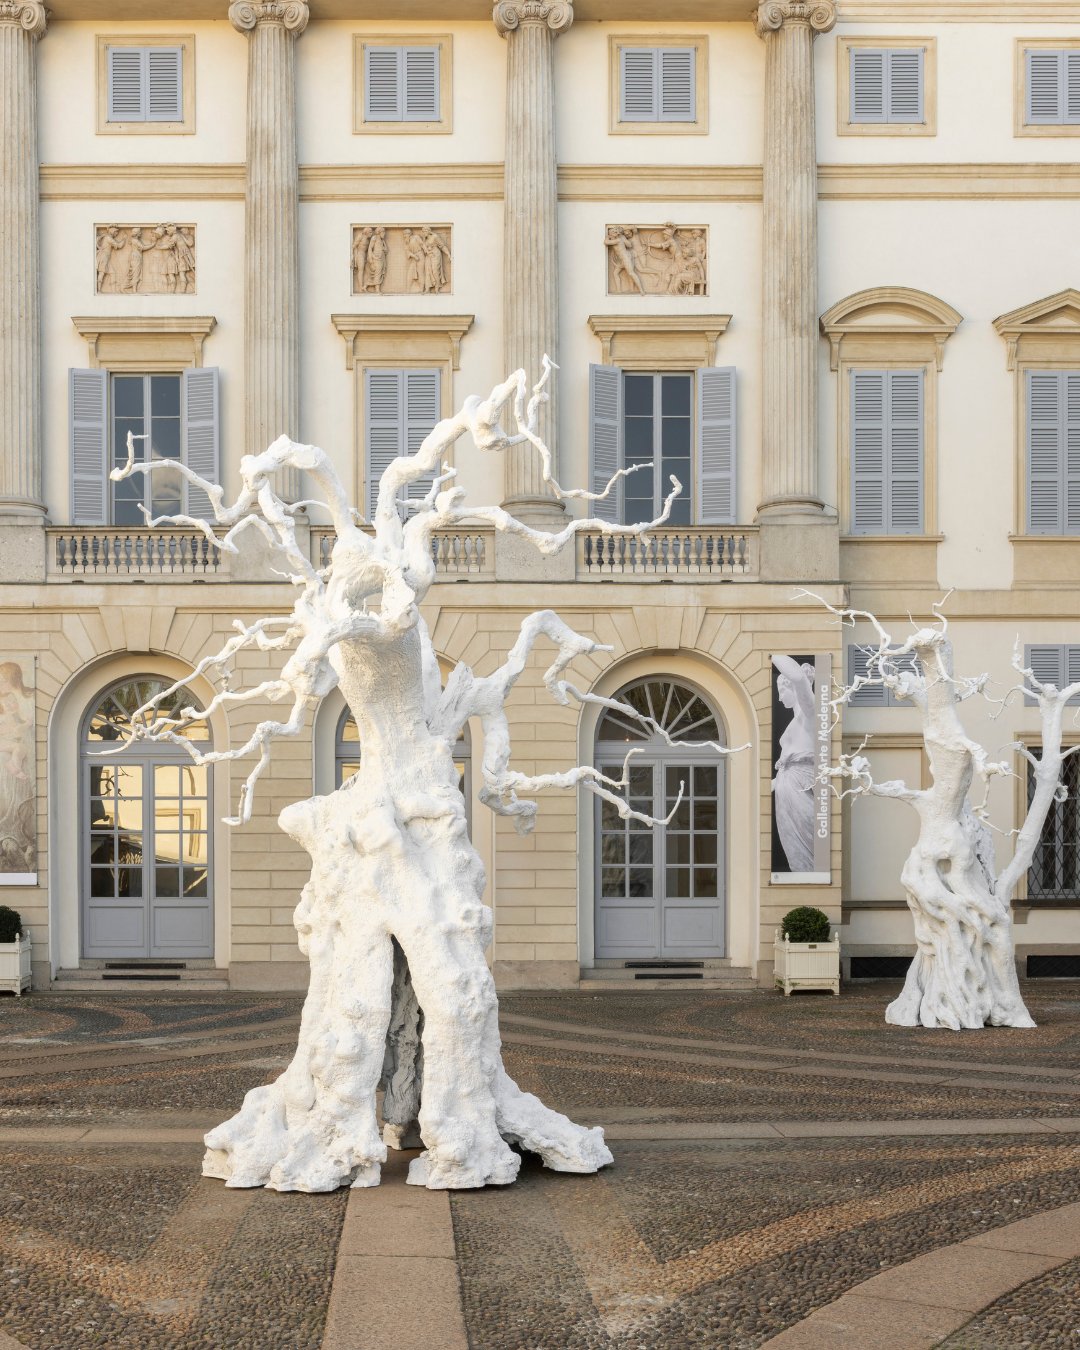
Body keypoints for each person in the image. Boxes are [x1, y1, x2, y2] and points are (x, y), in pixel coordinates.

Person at [771, 655, 818, 873]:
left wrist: (773, 652)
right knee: (794, 850)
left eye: (781, 691)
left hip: (800, 785)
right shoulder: (795, 720)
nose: (780, 699)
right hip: (787, 788)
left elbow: (799, 678)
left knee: (808, 846)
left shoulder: (810, 713)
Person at [605, 225, 645, 294]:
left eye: (613, 233)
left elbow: (606, 242)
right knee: (615, 273)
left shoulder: (617, 240)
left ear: (617, 233)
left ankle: (641, 290)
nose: (611, 234)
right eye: (611, 232)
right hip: (621, 260)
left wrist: (607, 237)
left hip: (625, 258)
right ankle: (618, 290)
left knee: (631, 273)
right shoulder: (621, 237)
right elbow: (629, 245)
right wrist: (624, 240)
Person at [420, 226, 451, 293]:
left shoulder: (435, 236)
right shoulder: (424, 239)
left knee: (435, 270)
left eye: (425, 231)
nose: (424, 233)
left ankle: (436, 288)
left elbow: (442, 246)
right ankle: (427, 288)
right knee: (427, 271)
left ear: (428, 231)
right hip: (429, 255)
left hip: (435, 254)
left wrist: (448, 254)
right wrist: (427, 251)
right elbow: (424, 248)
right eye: (423, 231)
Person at [95, 226, 125, 293]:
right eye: (116, 232)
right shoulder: (108, 238)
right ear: (112, 231)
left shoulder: (107, 237)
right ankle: (99, 290)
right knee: (101, 273)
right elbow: (119, 245)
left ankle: (114, 292)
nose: (116, 234)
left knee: (112, 273)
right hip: (104, 257)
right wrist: (124, 239)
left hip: (107, 258)